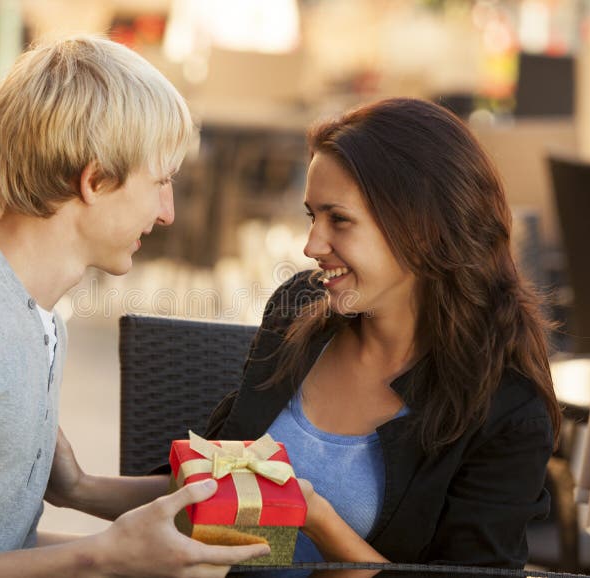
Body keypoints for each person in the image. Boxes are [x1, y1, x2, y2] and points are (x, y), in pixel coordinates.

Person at [0, 35, 269, 577]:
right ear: (96, 179)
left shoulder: (41, 320)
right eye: (162, 181)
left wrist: (91, 513)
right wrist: (96, 555)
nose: (168, 211)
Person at [204, 98, 561, 569]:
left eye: (340, 219)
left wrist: (319, 521)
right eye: (313, 216)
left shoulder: (507, 411)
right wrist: (81, 486)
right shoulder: (298, 310)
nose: (312, 245)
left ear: (425, 227)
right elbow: (214, 489)